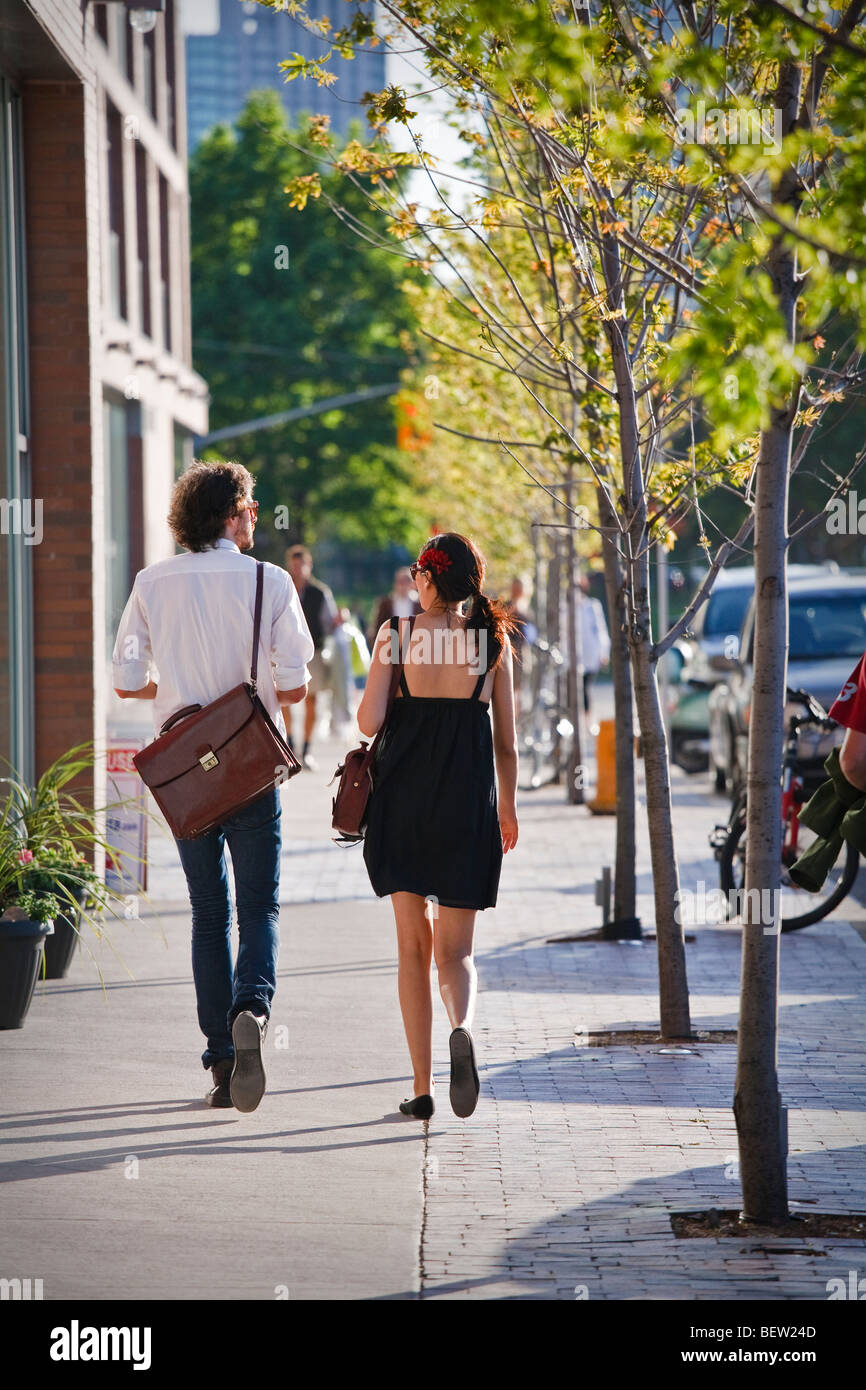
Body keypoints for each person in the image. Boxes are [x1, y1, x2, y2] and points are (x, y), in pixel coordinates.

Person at [112, 461, 313, 1112]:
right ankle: (251, 1006)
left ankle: (222, 1065)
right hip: (250, 765)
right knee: (259, 909)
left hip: (184, 773)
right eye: (251, 507)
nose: (256, 516)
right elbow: (295, 684)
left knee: (208, 913)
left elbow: (125, 678)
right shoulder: (270, 581)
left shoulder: (151, 582)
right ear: (231, 516)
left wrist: (169, 688)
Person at [357, 533, 519, 1121]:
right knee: (456, 953)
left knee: (412, 948)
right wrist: (509, 810)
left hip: (403, 805)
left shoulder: (395, 636)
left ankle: (422, 1088)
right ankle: (464, 1027)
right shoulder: (490, 643)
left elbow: (370, 720)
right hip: (467, 805)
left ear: (428, 579)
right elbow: (507, 744)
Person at [286, 545, 339, 771]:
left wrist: (339, 622)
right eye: (295, 566)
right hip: (285, 652)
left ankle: (305, 749)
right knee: (283, 699)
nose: (298, 570)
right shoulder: (283, 587)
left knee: (312, 700)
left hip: (313, 652)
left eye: (302, 565)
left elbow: (330, 621)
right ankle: (288, 745)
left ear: (309, 566)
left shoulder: (320, 593)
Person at [368, 566, 422, 650]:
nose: (403, 585)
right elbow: (377, 627)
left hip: (414, 648)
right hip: (391, 648)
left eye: (406, 581)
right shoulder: (385, 604)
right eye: (400, 582)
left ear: (412, 583)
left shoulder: (419, 603)